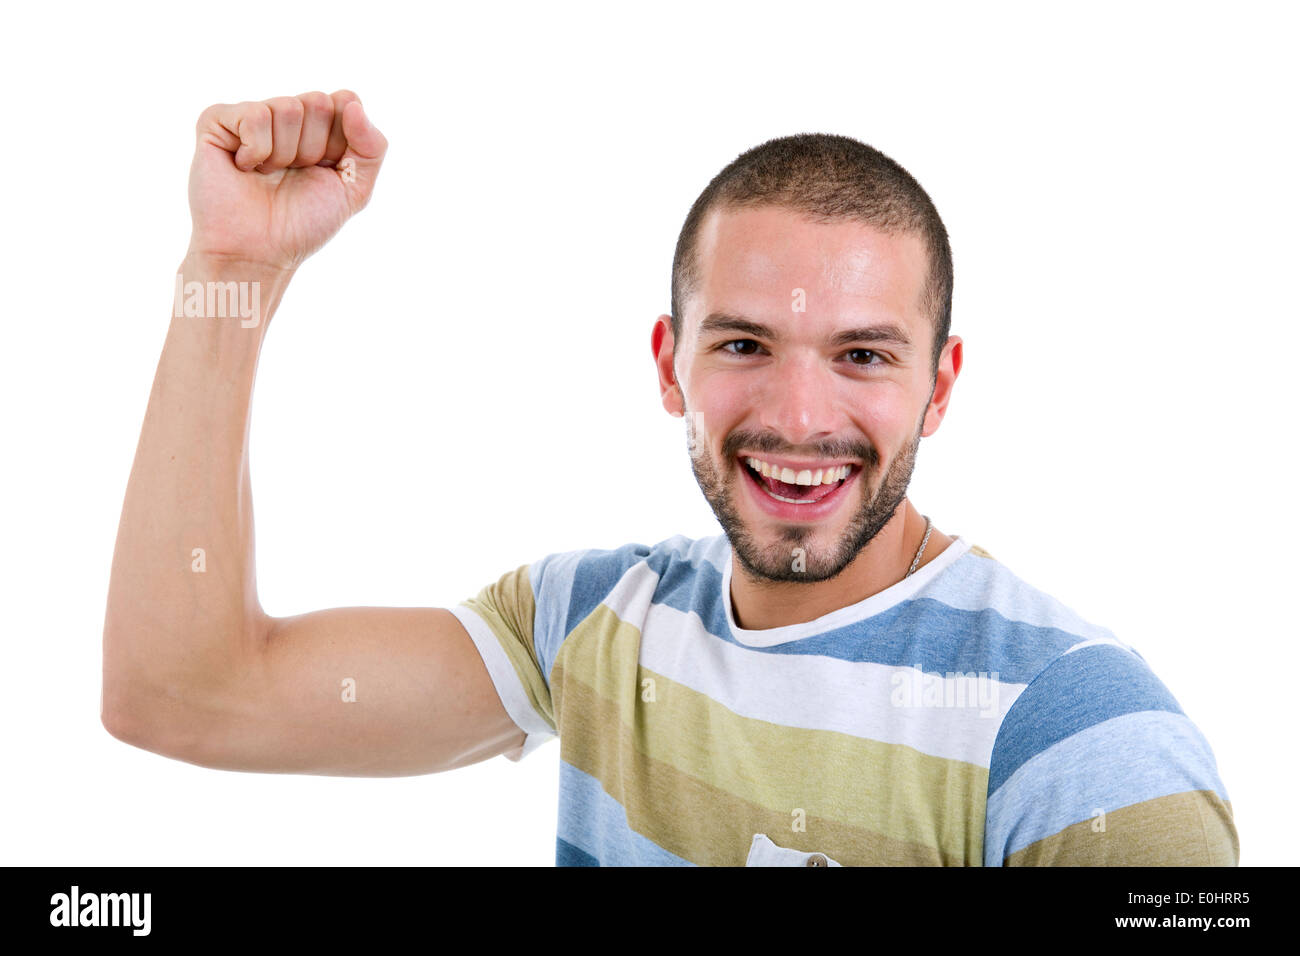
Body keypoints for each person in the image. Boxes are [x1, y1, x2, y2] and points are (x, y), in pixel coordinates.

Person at [102, 90, 1238, 866]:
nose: (800, 417)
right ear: (669, 364)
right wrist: (232, 272)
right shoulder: (598, 622)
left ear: (939, 387)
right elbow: (184, 691)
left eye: (862, 355)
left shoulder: (1087, 736)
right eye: (743, 345)